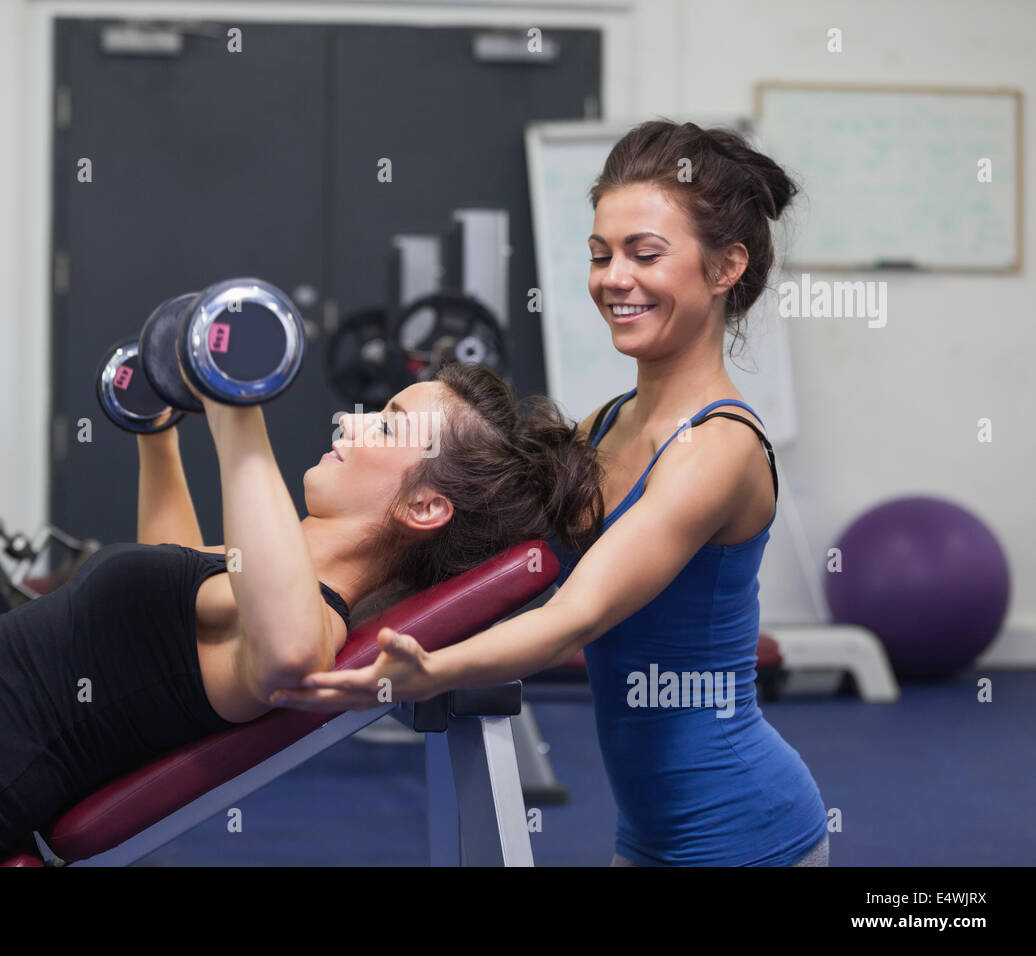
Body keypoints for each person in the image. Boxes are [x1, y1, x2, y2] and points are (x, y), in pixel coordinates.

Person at [0, 362, 603, 866]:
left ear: (422, 510)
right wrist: (160, 430)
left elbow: (290, 655)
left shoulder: (310, 622)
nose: (352, 420)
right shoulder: (255, 587)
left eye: (387, 425)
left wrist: (239, 413)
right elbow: (177, 570)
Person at [276, 120, 830, 867]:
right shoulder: (604, 425)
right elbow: (497, 554)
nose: (613, 278)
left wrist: (431, 670)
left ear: (727, 266)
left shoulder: (721, 447)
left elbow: (576, 615)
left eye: (645, 253)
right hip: (648, 838)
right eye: (601, 255)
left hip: (748, 834)